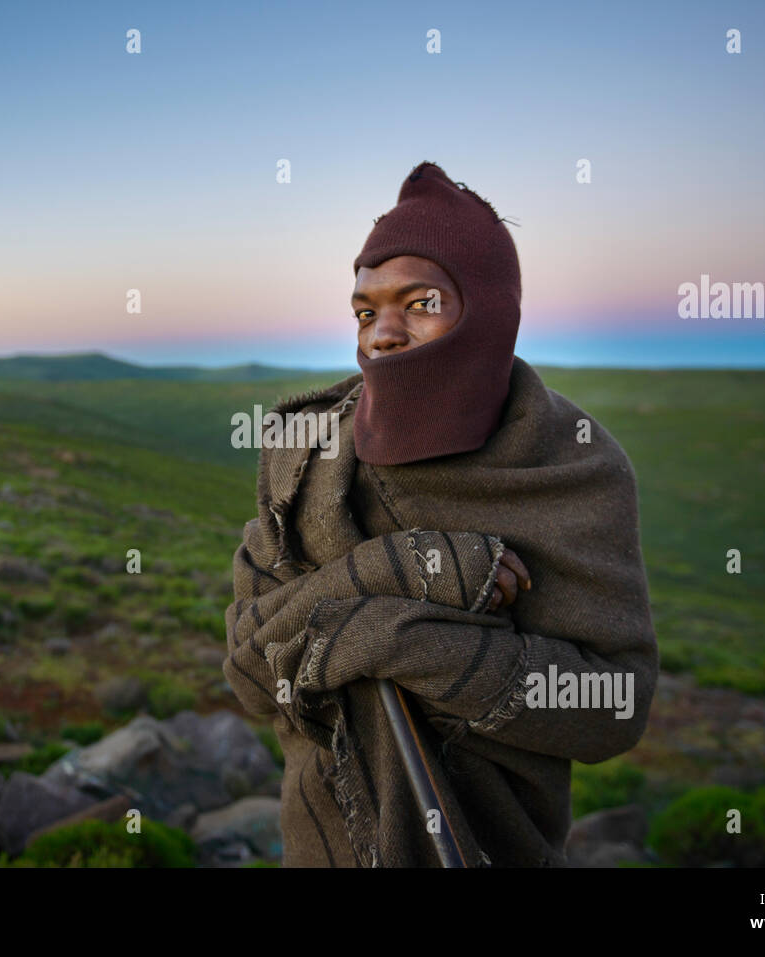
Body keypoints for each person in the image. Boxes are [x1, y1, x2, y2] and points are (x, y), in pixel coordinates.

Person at [224, 161, 658, 867]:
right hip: (323, 845)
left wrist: (398, 636)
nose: (382, 335)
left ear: (487, 312)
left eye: (420, 302)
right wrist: (395, 569)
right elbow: (249, 666)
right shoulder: (304, 453)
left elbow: (613, 704)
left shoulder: (571, 468)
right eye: (366, 311)